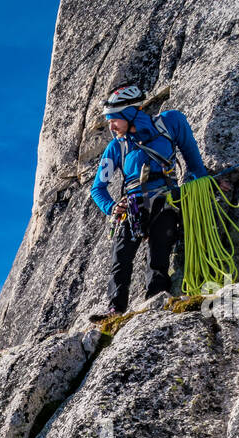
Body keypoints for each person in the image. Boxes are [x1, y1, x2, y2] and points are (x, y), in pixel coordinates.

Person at [90, 83, 210, 319]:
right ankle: (115, 309)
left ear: (130, 113)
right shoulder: (117, 147)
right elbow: (98, 189)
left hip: (165, 200)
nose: (111, 126)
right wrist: (112, 207)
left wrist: (203, 186)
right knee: (120, 258)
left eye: (114, 119)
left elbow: (193, 160)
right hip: (131, 208)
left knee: (159, 255)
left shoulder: (170, 122)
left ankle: (155, 304)